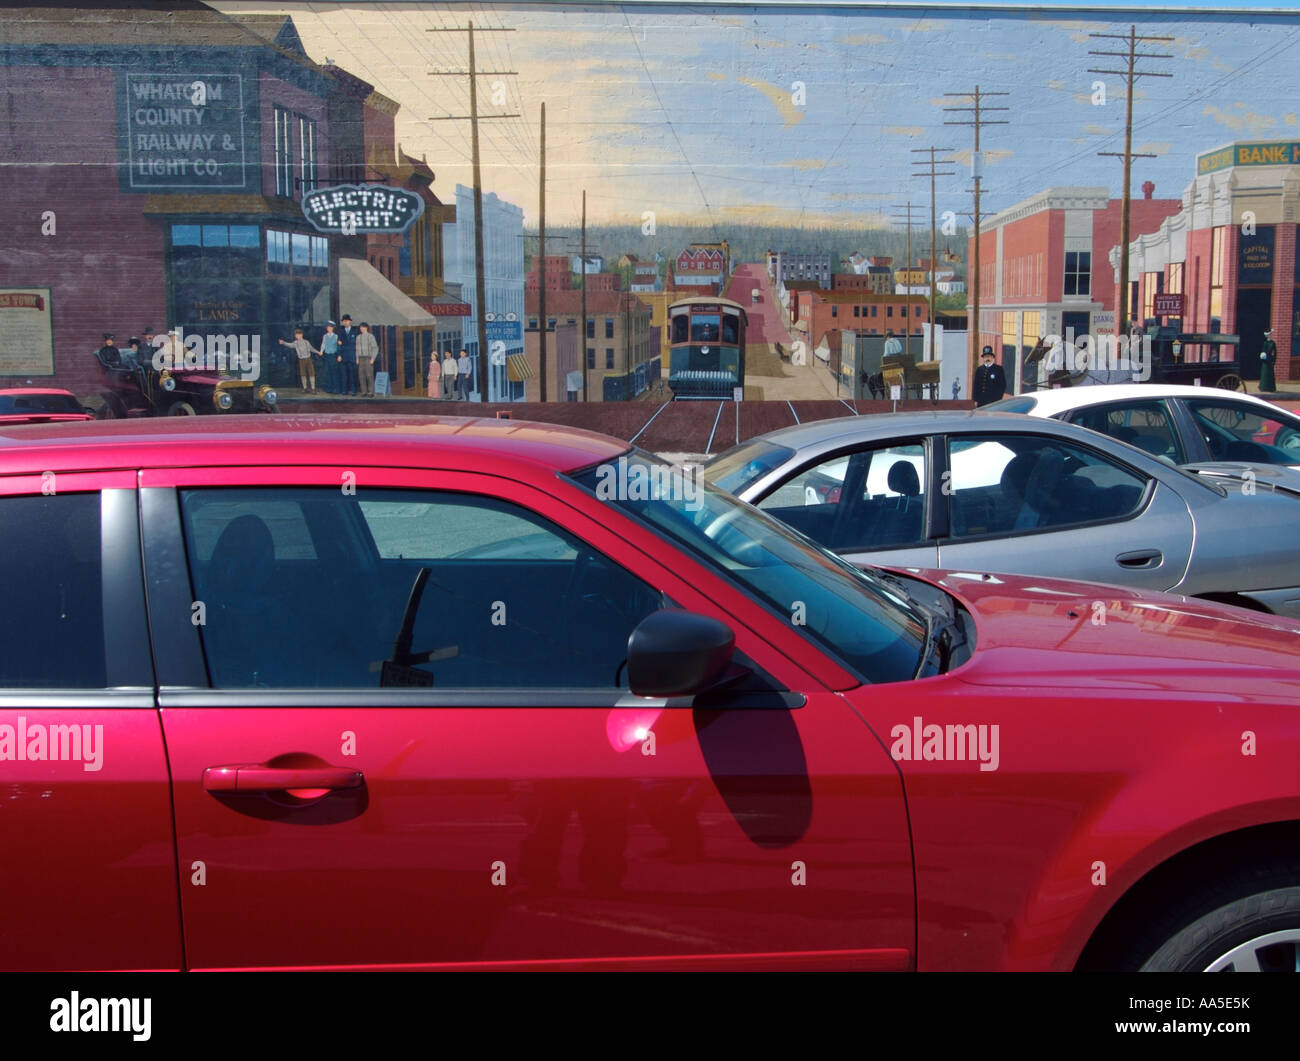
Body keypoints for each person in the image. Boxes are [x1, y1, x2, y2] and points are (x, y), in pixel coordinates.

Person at [278, 327, 318, 392]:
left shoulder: (306, 342)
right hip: (301, 360)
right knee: (303, 374)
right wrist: (283, 342)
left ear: (302, 335)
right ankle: (305, 388)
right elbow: (290, 345)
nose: (298, 336)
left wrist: (318, 352)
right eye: (296, 335)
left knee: (311, 373)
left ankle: (313, 388)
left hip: (308, 359)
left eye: (299, 334)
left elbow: (311, 349)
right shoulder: (295, 343)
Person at [356, 322, 380, 397]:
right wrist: (357, 358)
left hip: (368, 358)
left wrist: (372, 358)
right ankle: (364, 392)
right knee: (361, 375)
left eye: (363, 327)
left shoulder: (370, 336)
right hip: (360, 358)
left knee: (369, 375)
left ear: (366, 328)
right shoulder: (358, 337)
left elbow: (375, 348)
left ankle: (371, 392)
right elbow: (356, 349)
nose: (362, 329)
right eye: (360, 327)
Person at [337, 314, 359, 396]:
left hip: (352, 357)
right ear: (342, 322)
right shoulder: (340, 332)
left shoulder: (355, 332)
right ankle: (344, 391)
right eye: (344, 321)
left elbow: (357, 346)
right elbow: (339, 344)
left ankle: (353, 391)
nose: (346, 323)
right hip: (343, 357)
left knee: (353, 375)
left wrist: (357, 357)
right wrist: (339, 355)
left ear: (350, 322)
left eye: (347, 321)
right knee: (344, 375)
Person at [318, 321, 339, 394]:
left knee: (334, 372)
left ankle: (335, 388)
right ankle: (328, 388)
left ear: (333, 328)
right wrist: (321, 351)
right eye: (328, 328)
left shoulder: (336, 336)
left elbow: (338, 346)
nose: (329, 329)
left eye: (331, 327)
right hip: (327, 355)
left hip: (333, 355)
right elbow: (323, 344)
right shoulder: (325, 336)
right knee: (327, 372)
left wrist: (338, 355)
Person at [1260, 329, 1277, 393]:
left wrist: (1273, 360)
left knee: (1270, 374)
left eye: (1270, 335)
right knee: (1264, 374)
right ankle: (1263, 387)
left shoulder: (1273, 343)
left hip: (1270, 361)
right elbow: (1263, 350)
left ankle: (1271, 388)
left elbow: (1275, 352)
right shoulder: (1265, 343)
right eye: (1268, 335)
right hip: (1265, 361)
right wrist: (1262, 355)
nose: (1269, 336)